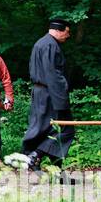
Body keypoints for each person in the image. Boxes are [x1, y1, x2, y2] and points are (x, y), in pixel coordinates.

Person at [20, 17, 75, 172]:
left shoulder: (41, 43)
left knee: (45, 129)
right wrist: (62, 101)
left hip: (41, 93)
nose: (68, 35)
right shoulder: (51, 45)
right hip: (50, 94)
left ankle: (55, 170)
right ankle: (34, 155)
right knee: (65, 129)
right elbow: (54, 75)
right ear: (58, 30)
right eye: (67, 32)